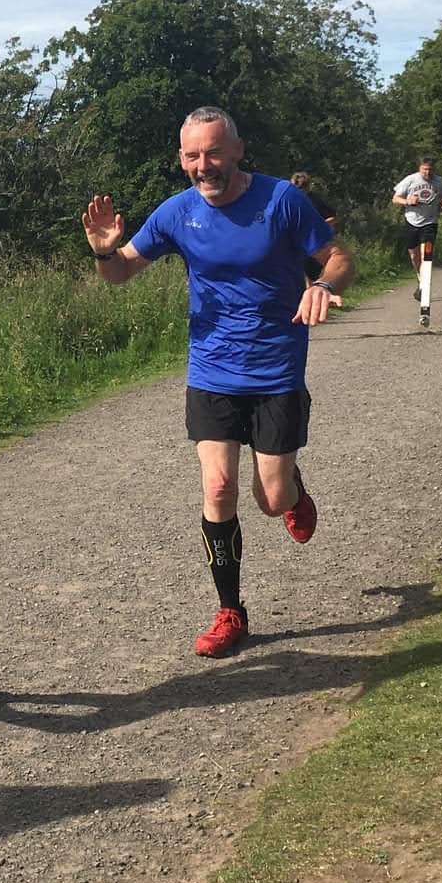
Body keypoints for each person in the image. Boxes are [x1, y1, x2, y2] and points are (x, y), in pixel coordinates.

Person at [81, 107, 353, 660]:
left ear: (237, 150)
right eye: (191, 155)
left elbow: (339, 257)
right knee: (219, 490)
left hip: (276, 368)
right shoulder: (177, 213)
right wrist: (106, 250)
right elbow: (121, 273)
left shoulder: (281, 201)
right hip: (211, 371)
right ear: (181, 158)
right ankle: (231, 610)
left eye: (212, 152)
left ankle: (292, 487)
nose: (203, 165)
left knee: (272, 501)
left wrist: (321, 283)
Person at [391, 157, 442, 298]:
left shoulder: (440, 182)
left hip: (430, 222)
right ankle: (421, 279)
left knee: (426, 255)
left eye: (430, 169)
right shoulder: (410, 180)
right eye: (424, 169)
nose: (427, 172)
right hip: (412, 222)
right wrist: (407, 201)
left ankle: (425, 285)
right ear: (419, 168)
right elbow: (395, 198)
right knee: (414, 256)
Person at [288, 171, 338, 285]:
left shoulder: (315, 200)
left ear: (307, 187)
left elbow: (333, 217)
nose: (298, 191)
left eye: (301, 188)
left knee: (316, 271)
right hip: (298, 243)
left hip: (317, 242)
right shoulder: (289, 201)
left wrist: (319, 226)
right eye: (295, 187)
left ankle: (322, 295)